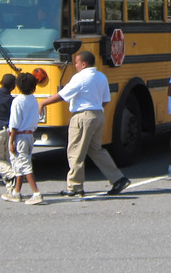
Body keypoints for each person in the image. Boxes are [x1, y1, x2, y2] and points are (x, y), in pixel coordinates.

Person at [38, 51, 130, 197]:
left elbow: (63, 95)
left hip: (82, 116)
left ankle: (75, 187)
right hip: (98, 114)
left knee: (75, 151)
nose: (75, 65)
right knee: (96, 150)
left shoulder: (80, 78)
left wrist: (43, 103)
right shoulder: (101, 76)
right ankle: (118, 179)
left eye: (77, 63)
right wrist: (95, 108)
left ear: (84, 64)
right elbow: (106, 100)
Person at [1, 73, 43, 205]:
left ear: (18, 86)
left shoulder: (17, 101)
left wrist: (11, 141)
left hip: (19, 135)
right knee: (18, 163)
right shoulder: (33, 100)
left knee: (24, 164)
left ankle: (36, 193)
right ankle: (16, 192)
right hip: (29, 134)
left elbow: (14, 124)